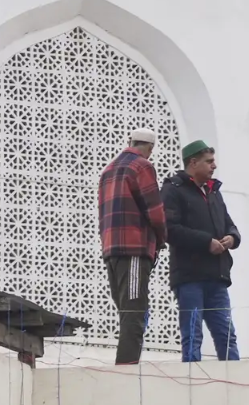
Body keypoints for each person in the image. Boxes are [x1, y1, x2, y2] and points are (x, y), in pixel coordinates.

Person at [160, 140, 241, 362]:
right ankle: (191, 382)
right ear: (193, 163)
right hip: (190, 277)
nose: (214, 166)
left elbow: (229, 223)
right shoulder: (173, 190)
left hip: (217, 276)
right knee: (192, 335)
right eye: (209, 161)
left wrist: (232, 238)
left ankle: (235, 381)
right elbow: (169, 230)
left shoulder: (214, 192)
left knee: (226, 336)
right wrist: (207, 242)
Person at [97, 128, 167, 365]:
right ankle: (126, 368)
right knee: (135, 312)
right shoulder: (142, 167)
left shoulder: (108, 170)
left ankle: (124, 363)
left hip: (111, 249)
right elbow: (155, 211)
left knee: (125, 310)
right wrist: (161, 238)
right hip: (134, 248)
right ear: (149, 148)